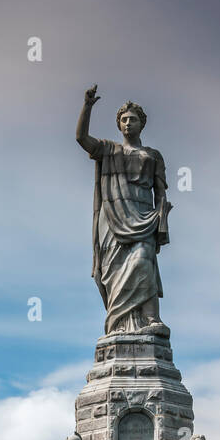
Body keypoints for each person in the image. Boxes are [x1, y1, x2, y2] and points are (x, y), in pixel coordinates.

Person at [76, 84, 173, 336]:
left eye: (133, 119)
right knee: (115, 269)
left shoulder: (153, 155)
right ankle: (120, 323)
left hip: (144, 216)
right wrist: (87, 106)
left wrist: (162, 219)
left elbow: (160, 191)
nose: (128, 123)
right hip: (112, 218)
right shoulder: (109, 150)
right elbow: (82, 139)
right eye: (124, 120)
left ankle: (151, 317)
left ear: (142, 124)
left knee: (144, 262)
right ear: (119, 125)